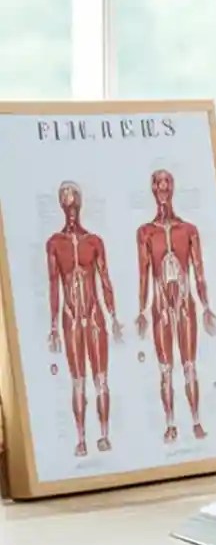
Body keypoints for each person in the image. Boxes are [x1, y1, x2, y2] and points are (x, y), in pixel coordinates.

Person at [136, 169, 216, 443]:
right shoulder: (146, 232)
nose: (162, 187)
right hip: (160, 307)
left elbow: (199, 272)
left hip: (185, 305)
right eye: (158, 183)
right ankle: (170, 424)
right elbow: (144, 273)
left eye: (166, 182)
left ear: (172, 187)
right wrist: (142, 310)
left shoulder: (188, 230)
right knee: (165, 368)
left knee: (189, 364)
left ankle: (196, 421)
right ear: (153, 188)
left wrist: (206, 305)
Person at [46, 181, 123, 456]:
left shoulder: (94, 241)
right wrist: (54, 326)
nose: (71, 209)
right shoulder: (55, 244)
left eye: (74, 203)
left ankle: (104, 435)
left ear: (80, 205)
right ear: (61, 205)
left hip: (94, 316)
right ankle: (81, 439)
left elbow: (105, 280)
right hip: (71, 318)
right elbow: (53, 285)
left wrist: (113, 316)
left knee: (101, 378)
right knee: (78, 380)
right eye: (66, 204)